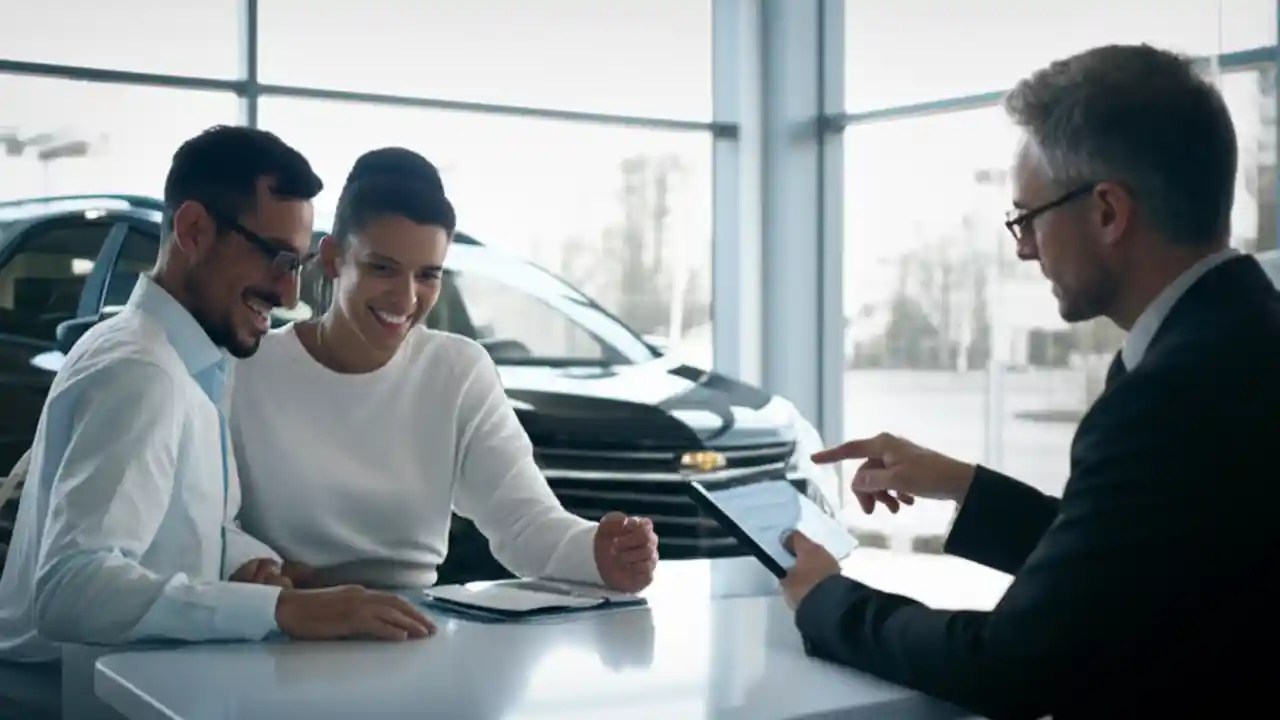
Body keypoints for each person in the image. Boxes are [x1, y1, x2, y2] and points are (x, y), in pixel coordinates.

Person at [780, 44, 1279, 719]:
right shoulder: (1238, 335)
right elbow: (1129, 561)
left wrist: (827, 602)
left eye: (1028, 217)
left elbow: (1013, 664)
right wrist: (958, 482)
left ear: (1107, 212)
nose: (1022, 247)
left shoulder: (1170, 392)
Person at [0, 126, 434, 665]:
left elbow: (188, 526)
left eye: (295, 265)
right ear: (195, 230)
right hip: (69, 699)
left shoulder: (196, 361)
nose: (290, 293)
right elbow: (70, 590)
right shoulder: (141, 373)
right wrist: (282, 612)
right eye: (276, 259)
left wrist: (251, 566)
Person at [228, 147, 659, 594]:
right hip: (283, 628)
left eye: (427, 275)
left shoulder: (457, 371)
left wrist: (598, 552)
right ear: (334, 258)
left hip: (413, 632)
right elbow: (209, 525)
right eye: (383, 269)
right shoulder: (247, 368)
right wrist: (247, 564)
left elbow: (524, 522)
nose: (406, 298)